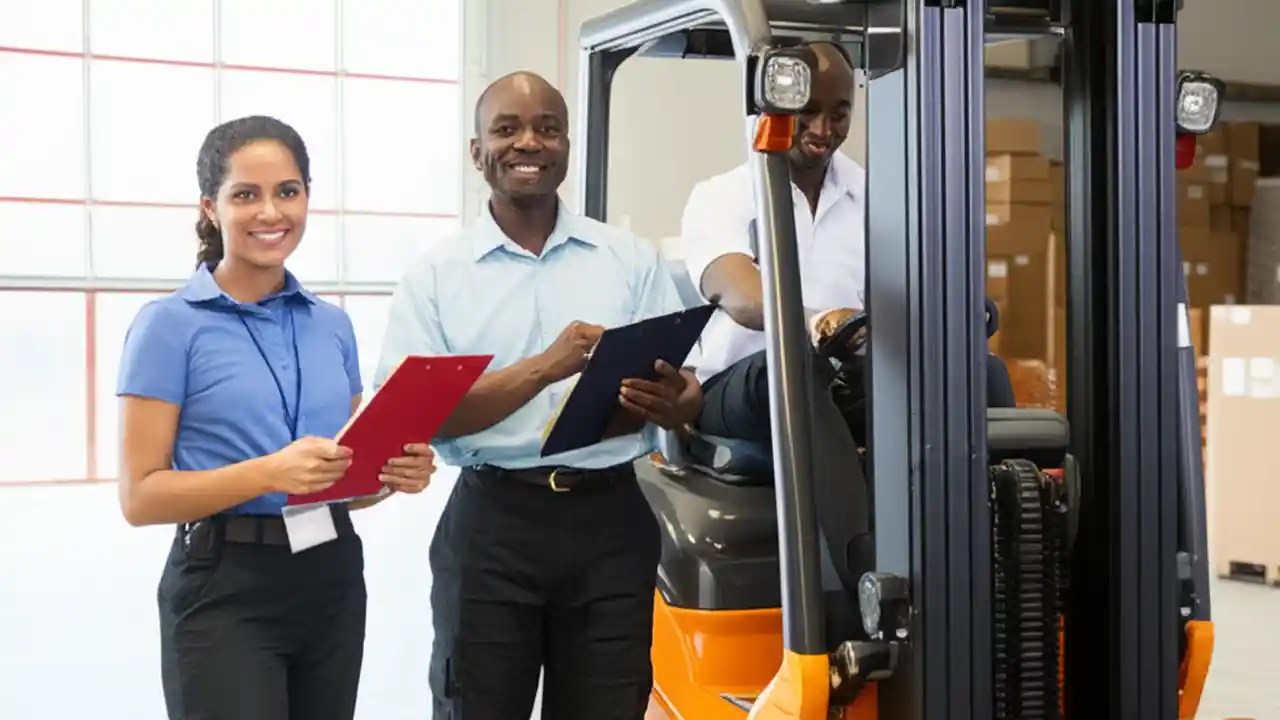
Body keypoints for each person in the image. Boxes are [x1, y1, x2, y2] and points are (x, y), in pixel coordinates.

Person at [374, 71, 699, 720]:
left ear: (567, 147)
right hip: (494, 525)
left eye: (548, 128)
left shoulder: (629, 261)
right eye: (507, 128)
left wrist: (681, 402)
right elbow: (416, 419)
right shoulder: (436, 277)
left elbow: (682, 387)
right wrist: (547, 368)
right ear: (477, 152)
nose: (530, 141)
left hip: (611, 519)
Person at [115, 115, 437, 720]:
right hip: (224, 584)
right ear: (211, 208)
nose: (271, 212)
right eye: (246, 195)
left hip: (331, 575)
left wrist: (390, 476)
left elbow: (342, 482)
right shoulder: (168, 326)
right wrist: (269, 473)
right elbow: (140, 497)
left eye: (288, 192)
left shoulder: (331, 325)